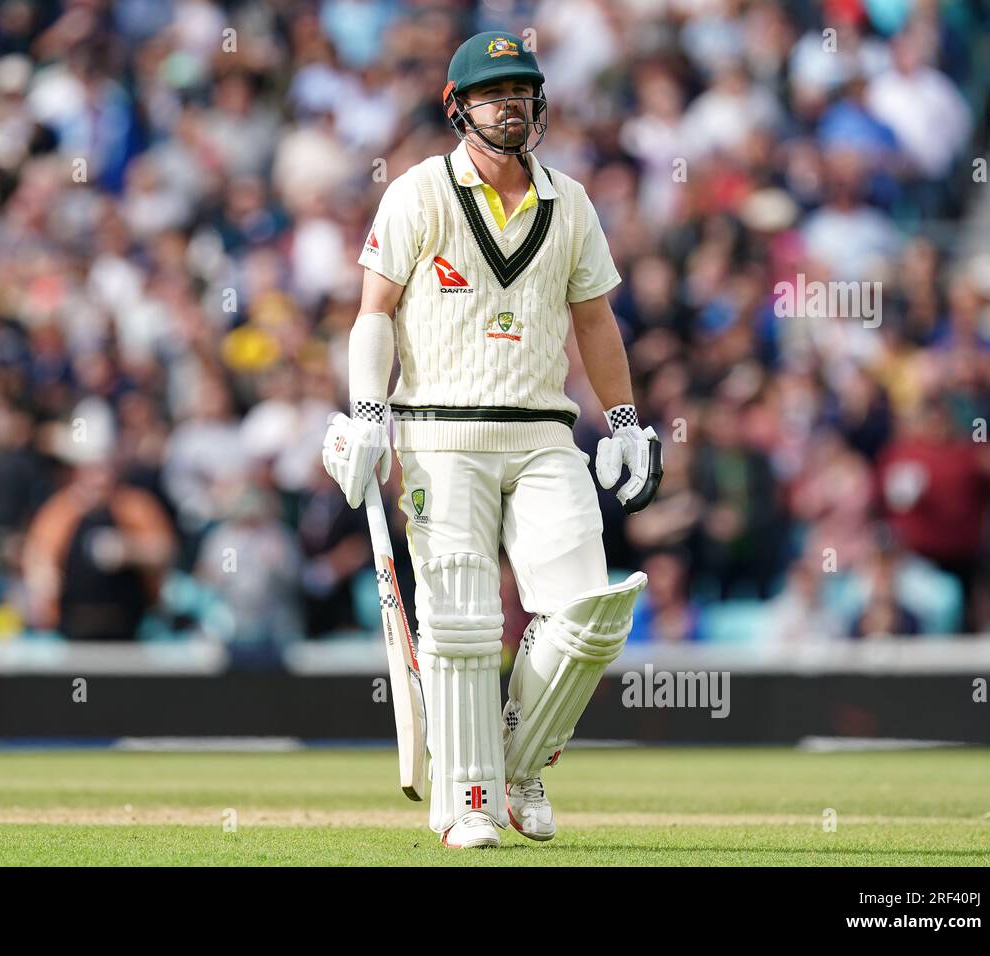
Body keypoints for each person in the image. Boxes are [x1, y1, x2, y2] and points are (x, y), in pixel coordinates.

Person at [322, 32, 662, 850]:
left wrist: (623, 419)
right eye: (493, 92)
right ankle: (470, 796)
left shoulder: (570, 201)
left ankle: (517, 763)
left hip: (544, 431)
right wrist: (370, 412)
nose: (511, 105)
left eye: (522, 90)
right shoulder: (417, 193)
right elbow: (374, 311)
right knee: (465, 622)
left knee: (588, 610)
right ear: (458, 106)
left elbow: (595, 322)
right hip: (441, 431)